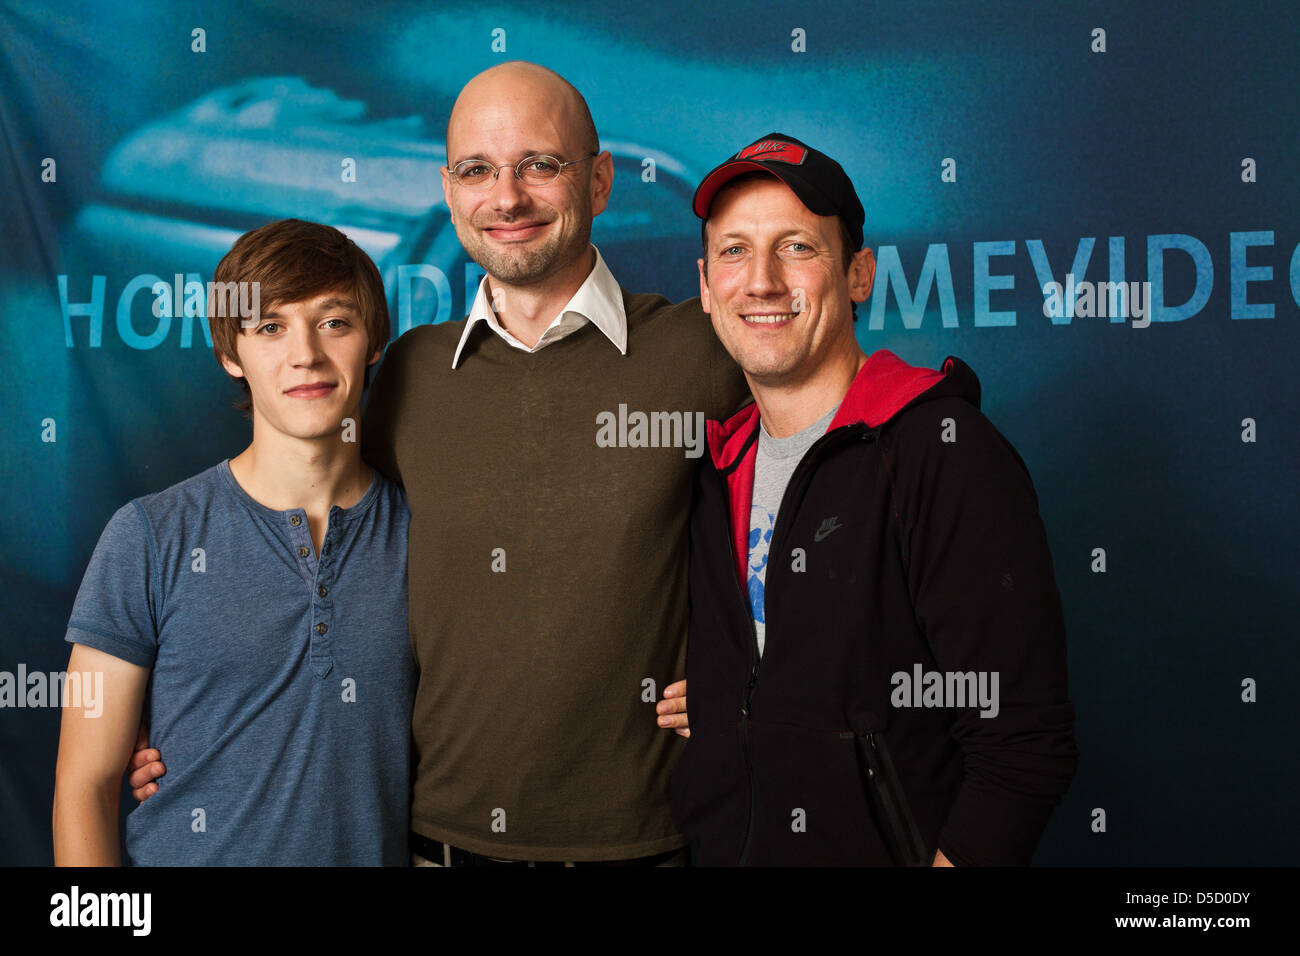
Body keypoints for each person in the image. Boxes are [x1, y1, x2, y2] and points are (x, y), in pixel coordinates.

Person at [347, 61, 749, 867]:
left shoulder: (707, 355)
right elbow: (320, 565)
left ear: (599, 181)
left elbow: (828, 529)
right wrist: (190, 712)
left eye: (539, 165)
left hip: (648, 847)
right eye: (477, 171)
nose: (507, 198)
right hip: (439, 843)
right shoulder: (407, 376)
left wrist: (757, 676)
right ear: (448, 190)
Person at [669, 134, 1079, 866]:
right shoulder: (715, 464)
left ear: (859, 274)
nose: (761, 281)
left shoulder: (942, 450)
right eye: (734, 251)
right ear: (705, 285)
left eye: (796, 247)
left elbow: (1022, 743)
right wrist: (733, 704)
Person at [53, 219, 415, 865]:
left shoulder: (426, 534)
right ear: (230, 353)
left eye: (334, 322)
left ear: (374, 343)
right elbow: (85, 788)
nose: (306, 354)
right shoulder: (149, 536)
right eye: (270, 327)